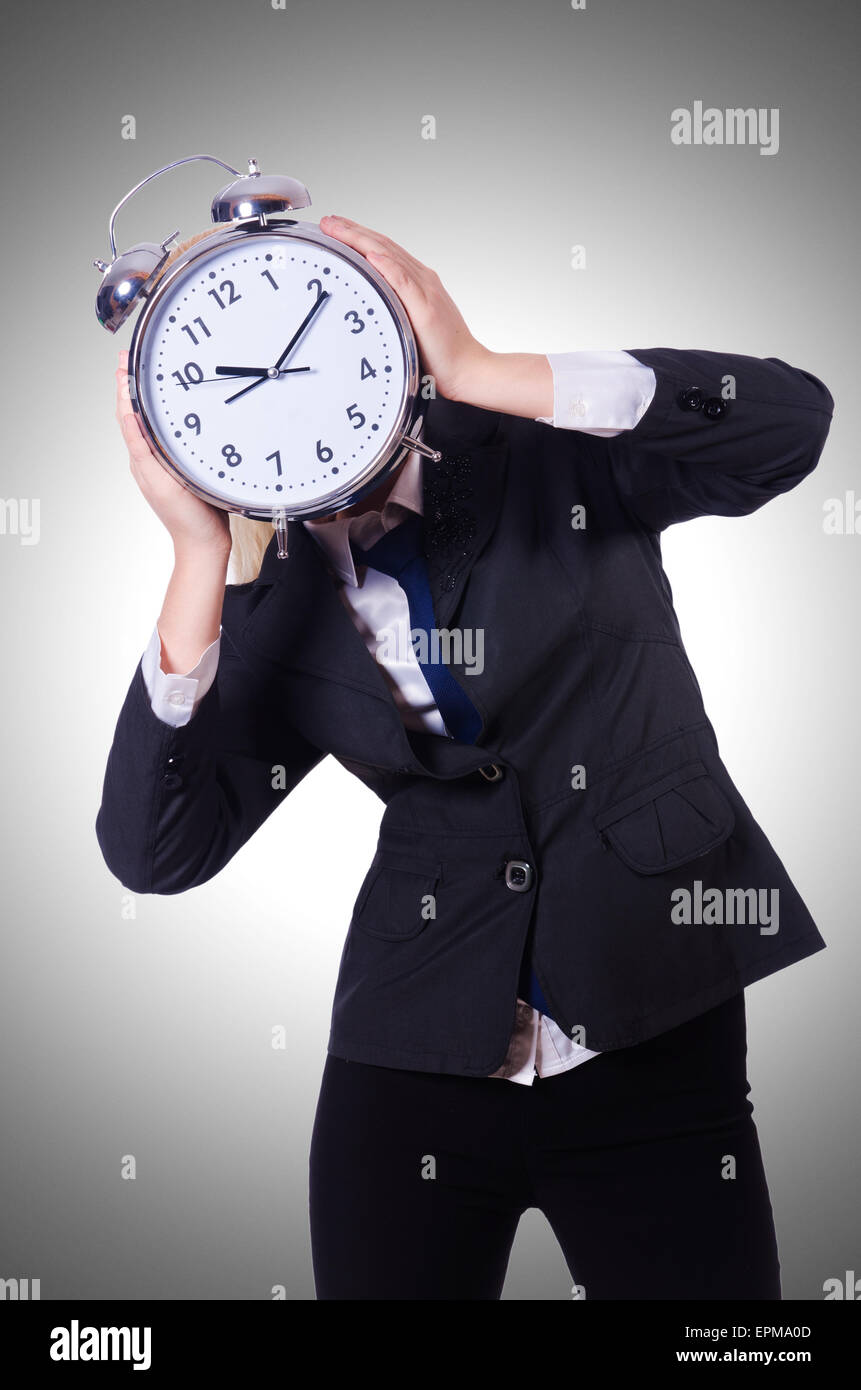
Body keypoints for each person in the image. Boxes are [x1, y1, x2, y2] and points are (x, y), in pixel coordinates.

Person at [97, 214, 834, 1300]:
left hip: (653, 1020)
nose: (291, 398)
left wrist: (492, 370)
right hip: (415, 1052)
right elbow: (155, 849)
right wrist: (197, 556)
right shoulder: (278, 607)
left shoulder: (552, 446)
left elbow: (787, 423)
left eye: (314, 351)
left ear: (386, 333)